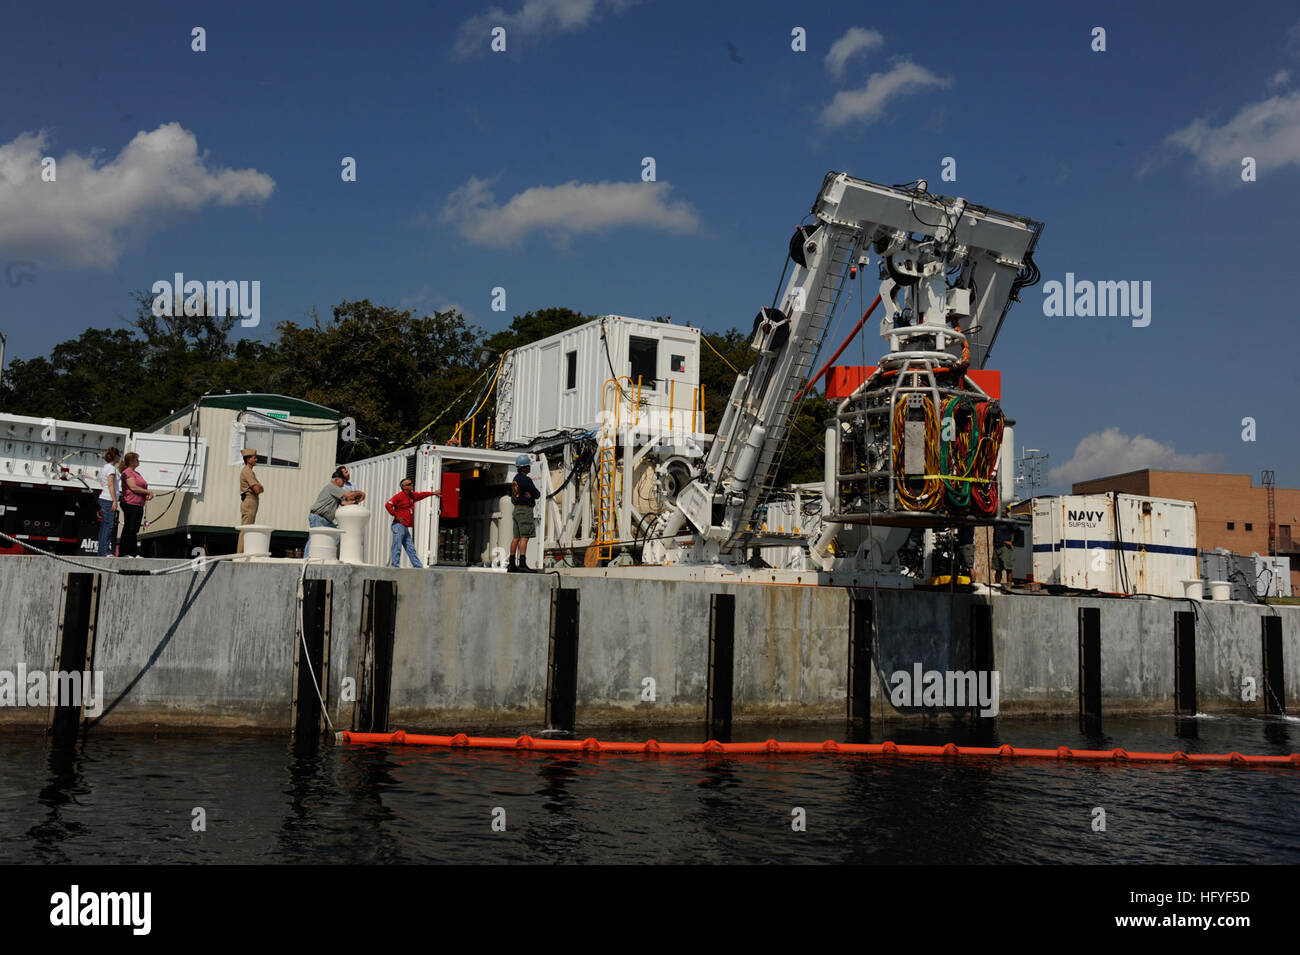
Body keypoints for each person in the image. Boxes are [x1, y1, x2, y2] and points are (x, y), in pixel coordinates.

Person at [306, 467, 365, 558]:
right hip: (318, 517)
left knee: (336, 535)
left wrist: (355, 502)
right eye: (343, 481)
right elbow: (348, 496)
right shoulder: (332, 487)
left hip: (324, 519)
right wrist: (360, 493)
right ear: (336, 480)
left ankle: (326, 557)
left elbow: (344, 503)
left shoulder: (336, 491)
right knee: (314, 538)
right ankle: (306, 558)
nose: (343, 484)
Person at [385, 477, 440, 568]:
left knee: (410, 548)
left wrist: (433, 493)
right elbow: (388, 505)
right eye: (409, 484)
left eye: (411, 483)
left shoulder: (412, 495)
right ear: (404, 487)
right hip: (398, 526)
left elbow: (422, 495)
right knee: (397, 546)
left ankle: (418, 567)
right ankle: (395, 566)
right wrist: (396, 515)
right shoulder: (399, 496)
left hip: (404, 527)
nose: (412, 485)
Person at [117, 452, 154, 558]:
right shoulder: (127, 472)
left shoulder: (137, 473)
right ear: (131, 461)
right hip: (130, 503)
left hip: (138, 504)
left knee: (135, 529)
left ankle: (133, 552)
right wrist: (147, 492)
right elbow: (133, 487)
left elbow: (141, 488)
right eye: (137, 460)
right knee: (129, 527)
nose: (138, 461)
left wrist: (147, 495)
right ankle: (124, 552)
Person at [508, 454, 539, 573]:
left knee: (515, 538)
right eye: (528, 466)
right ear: (524, 467)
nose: (530, 468)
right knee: (524, 537)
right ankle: (522, 564)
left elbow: (514, 497)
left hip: (516, 509)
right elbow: (537, 494)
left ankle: (511, 564)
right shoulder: (526, 480)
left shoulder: (515, 479)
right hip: (525, 510)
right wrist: (530, 494)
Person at [237, 448, 264, 554]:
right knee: (246, 529)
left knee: (248, 528)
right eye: (254, 457)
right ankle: (240, 553)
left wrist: (259, 488)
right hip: (249, 501)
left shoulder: (250, 472)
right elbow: (258, 489)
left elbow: (259, 489)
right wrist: (259, 488)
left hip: (252, 501)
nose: (256, 459)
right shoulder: (247, 471)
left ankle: (243, 552)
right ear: (248, 459)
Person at [97, 446, 121, 556]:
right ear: (115, 456)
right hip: (108, 499)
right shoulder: (111, 469)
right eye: (119, 455)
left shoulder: (104, 467)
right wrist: (115, 501)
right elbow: (110, 484)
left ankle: (102, 551)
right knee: (109, 525)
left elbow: (102, 483)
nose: (120, 457)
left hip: (104, 497)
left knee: (104, 525)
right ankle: (105, 551)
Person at [993, 506, 1016, 584]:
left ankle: (1009, 586)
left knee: (1008, 568)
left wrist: (1013, 542)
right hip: (997, 547)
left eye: (1003, 509)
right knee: (998, 569)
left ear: (1006, 510)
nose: (1001, 510)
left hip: (1005, 547)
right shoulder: (996, 520)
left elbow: (1019, 531)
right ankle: (997, 586)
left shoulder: (1009, 521)